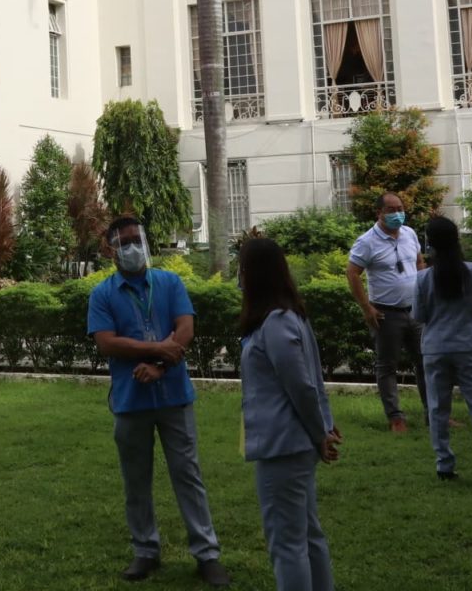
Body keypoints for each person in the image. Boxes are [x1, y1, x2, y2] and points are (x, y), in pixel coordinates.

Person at [86, 216, 230, 587]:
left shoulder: (170, 283)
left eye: (138, 239)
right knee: (136, 481)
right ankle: (145, 551)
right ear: (111, 249)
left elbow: (186, 329)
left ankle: (207, 553)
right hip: (130, 400)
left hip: (173, 395)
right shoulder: (102, 294)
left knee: (188, 476)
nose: (133, 248)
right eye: (125, 242)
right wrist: (157, 350)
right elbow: (106, 342)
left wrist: (160, 365)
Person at [238, 237, 341, 591]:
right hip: (293, 443)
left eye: (242, 268)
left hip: (283, 446)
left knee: (287, 544)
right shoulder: (286, 317)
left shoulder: (277, 322)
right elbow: (310, 382)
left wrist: (320, 433)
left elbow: (303, 386)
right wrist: (323, 427)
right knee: (307, 535)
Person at [412, 217, 472, 485]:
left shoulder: (423, 279)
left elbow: (419, 314)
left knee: (437, 409)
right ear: (457, 239)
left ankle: (444, 465)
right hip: (470, 346)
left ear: (429, 243)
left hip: (435, 348)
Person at [346, 192, 427, 431]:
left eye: (399, 208)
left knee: (426, 362)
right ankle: (396, 418)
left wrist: (424, 289)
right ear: (379, 213)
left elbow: (420, 262)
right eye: (391, 210)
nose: (397, 214)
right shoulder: (367, 241)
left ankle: (434, 414)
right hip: (385, 313)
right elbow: (352, 273)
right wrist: (366, 307)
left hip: (416, 310)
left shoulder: (410, 234)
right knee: (387, 366)